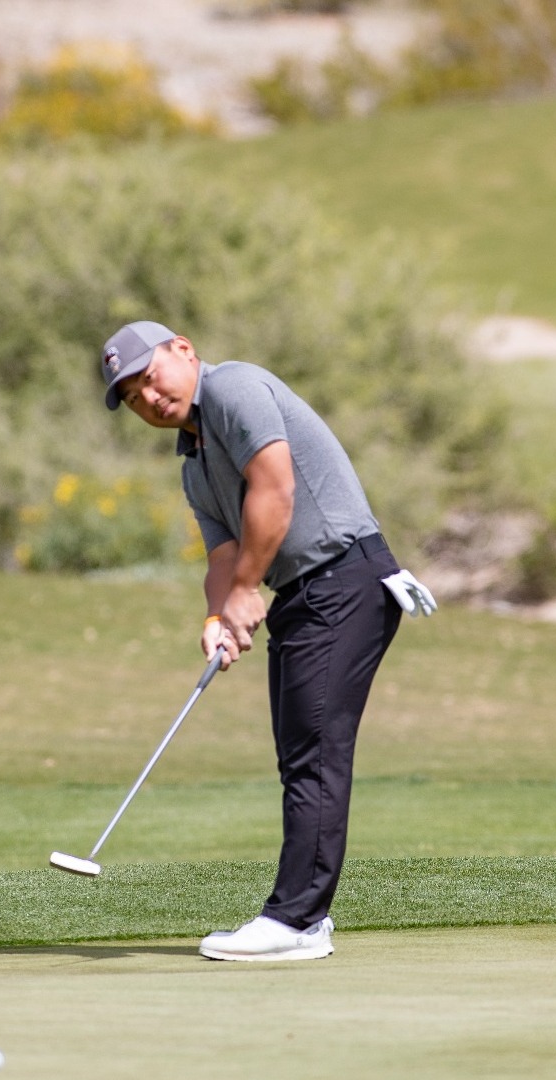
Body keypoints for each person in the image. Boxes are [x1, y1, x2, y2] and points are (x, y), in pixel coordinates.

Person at [98, 321, 436, 962]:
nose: (147, 397)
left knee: (314, 756)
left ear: (184, 351)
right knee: (301, 757)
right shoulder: (195, 465)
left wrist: (250, 587)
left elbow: (275, 489)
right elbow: (224, 555)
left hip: (344, 579)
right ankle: (305, 918)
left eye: (150, 376)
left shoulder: (234, 389)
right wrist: (217, 616)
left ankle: (295, 921)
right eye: (132, 395)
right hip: (309, 597)